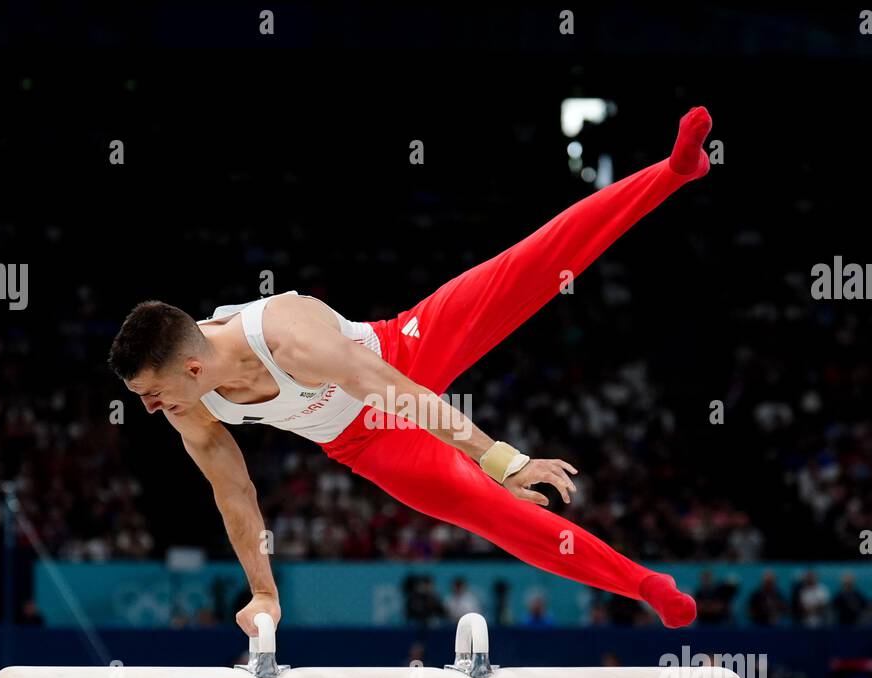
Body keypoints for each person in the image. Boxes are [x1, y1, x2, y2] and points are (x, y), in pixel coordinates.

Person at [108, 108, 715, 635]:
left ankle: (670, 172)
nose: (151, 408)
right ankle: (646, 586)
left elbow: (399, 393)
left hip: (402, 354)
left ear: (190, 365)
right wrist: (264, 590)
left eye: (153, 393)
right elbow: (233, 492)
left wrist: (502, 460)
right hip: (363, 443)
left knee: (530, 266)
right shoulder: (191, 403)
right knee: (496, 515)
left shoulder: (287, 333)